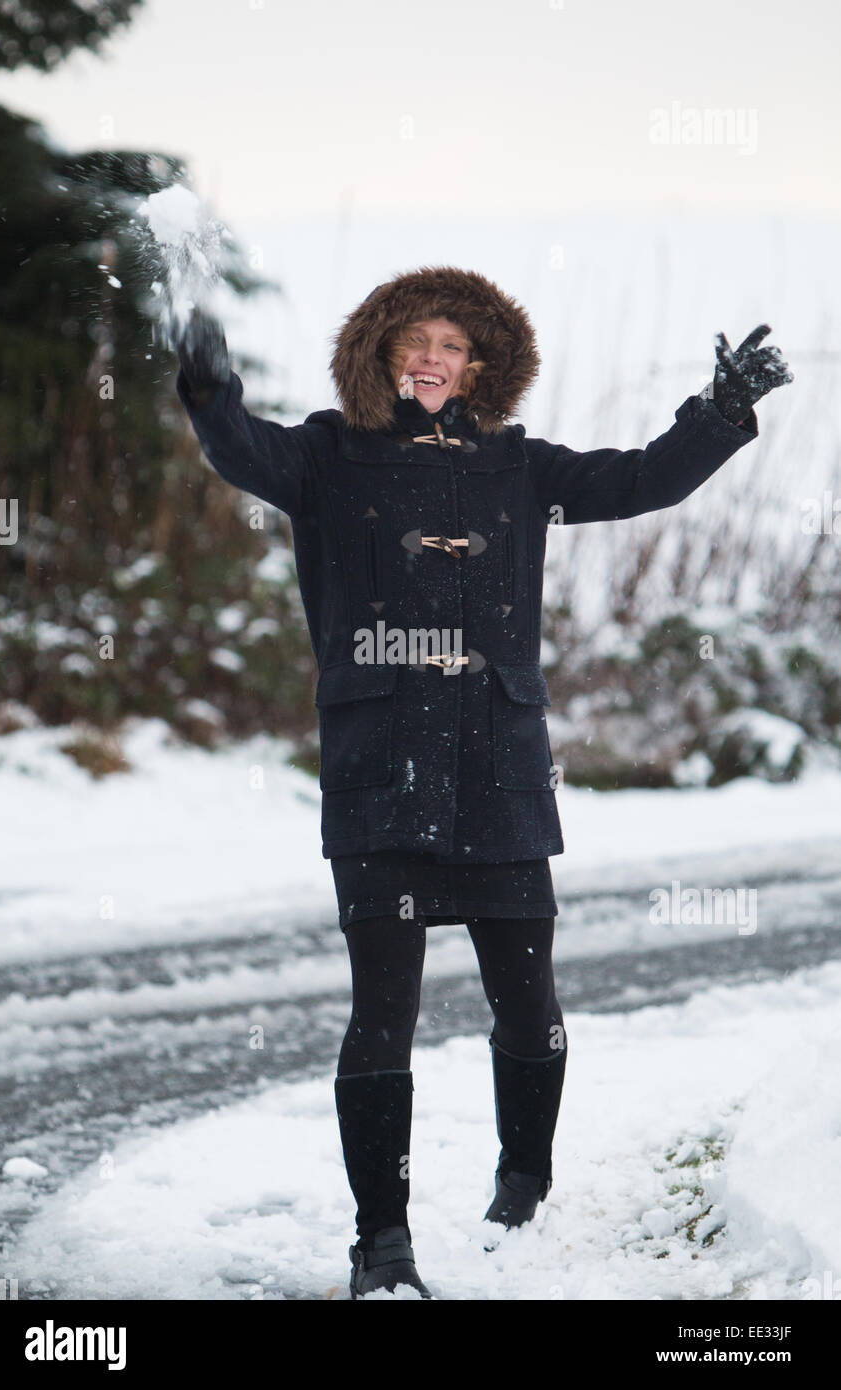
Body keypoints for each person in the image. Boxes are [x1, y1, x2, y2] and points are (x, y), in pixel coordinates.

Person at [172, 266, 791, 1299]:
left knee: (530, 1004)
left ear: (480, 365)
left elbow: (641, 478)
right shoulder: (325, 455)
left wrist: (717, 413)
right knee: (381, 1012)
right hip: (379, 769)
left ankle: (521, 1188)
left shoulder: (517, 465)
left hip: (497, 765)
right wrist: (208, 384)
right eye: (416, 341)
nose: (432, 358)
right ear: (380, 351)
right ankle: (383, 1246)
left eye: (453, 346)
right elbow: (238, 448)